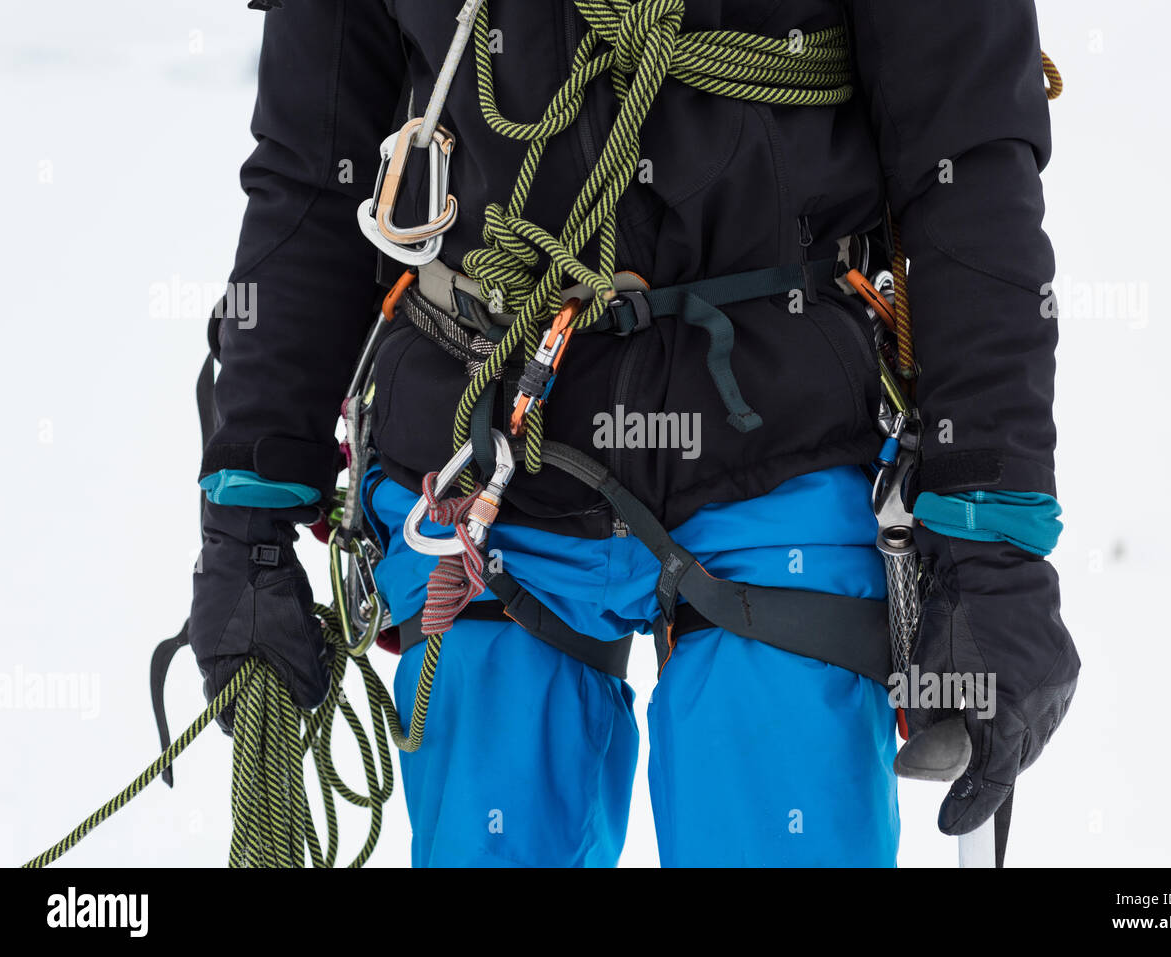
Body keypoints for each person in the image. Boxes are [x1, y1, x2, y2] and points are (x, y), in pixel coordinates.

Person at [188, 0, 1080, 867]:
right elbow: (316, 167)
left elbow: (964, 160)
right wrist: (248, 519)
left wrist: (990, 541)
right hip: (485, 442)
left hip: (780, 432)